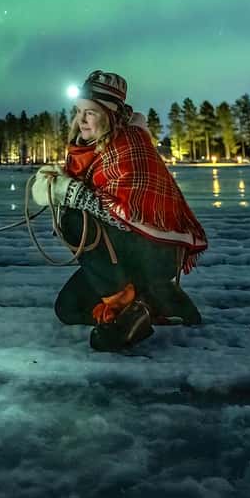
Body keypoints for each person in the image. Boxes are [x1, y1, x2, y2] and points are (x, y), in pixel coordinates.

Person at [31, 70, 208, 352]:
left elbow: (130, 216)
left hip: (154, 253)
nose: (81, 120)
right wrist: (58, 184)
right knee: (68, 308)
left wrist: (74, 195)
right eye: (79, 112)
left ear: (110, 114)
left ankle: (125, 310)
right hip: (126, 256)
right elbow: (86, 188)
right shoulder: (93, 149)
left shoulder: (131, 146)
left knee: (73, 218)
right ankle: (157, 299)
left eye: (90, 112)